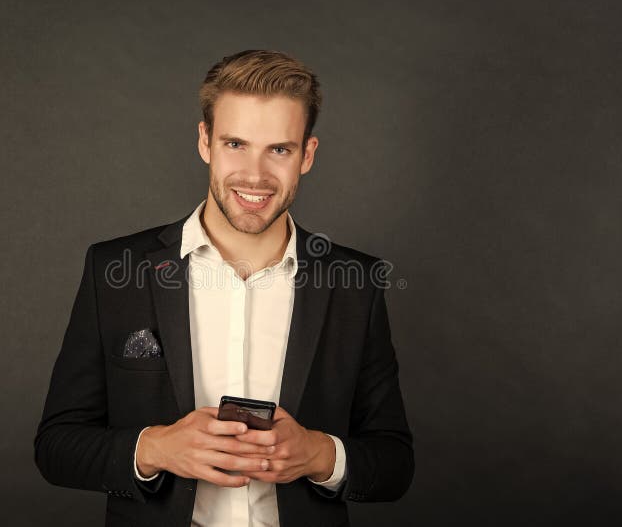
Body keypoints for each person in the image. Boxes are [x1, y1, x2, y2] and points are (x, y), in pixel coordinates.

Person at [34, 49, 414, 527]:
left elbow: (395, 465)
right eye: (236, 144)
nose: (255, 175)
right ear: (205, 142)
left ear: (308, 155)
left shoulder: (356, 284)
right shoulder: (115, 270)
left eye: (279, 149)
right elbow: (56, 446)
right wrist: (154, 449)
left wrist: (319, 454)